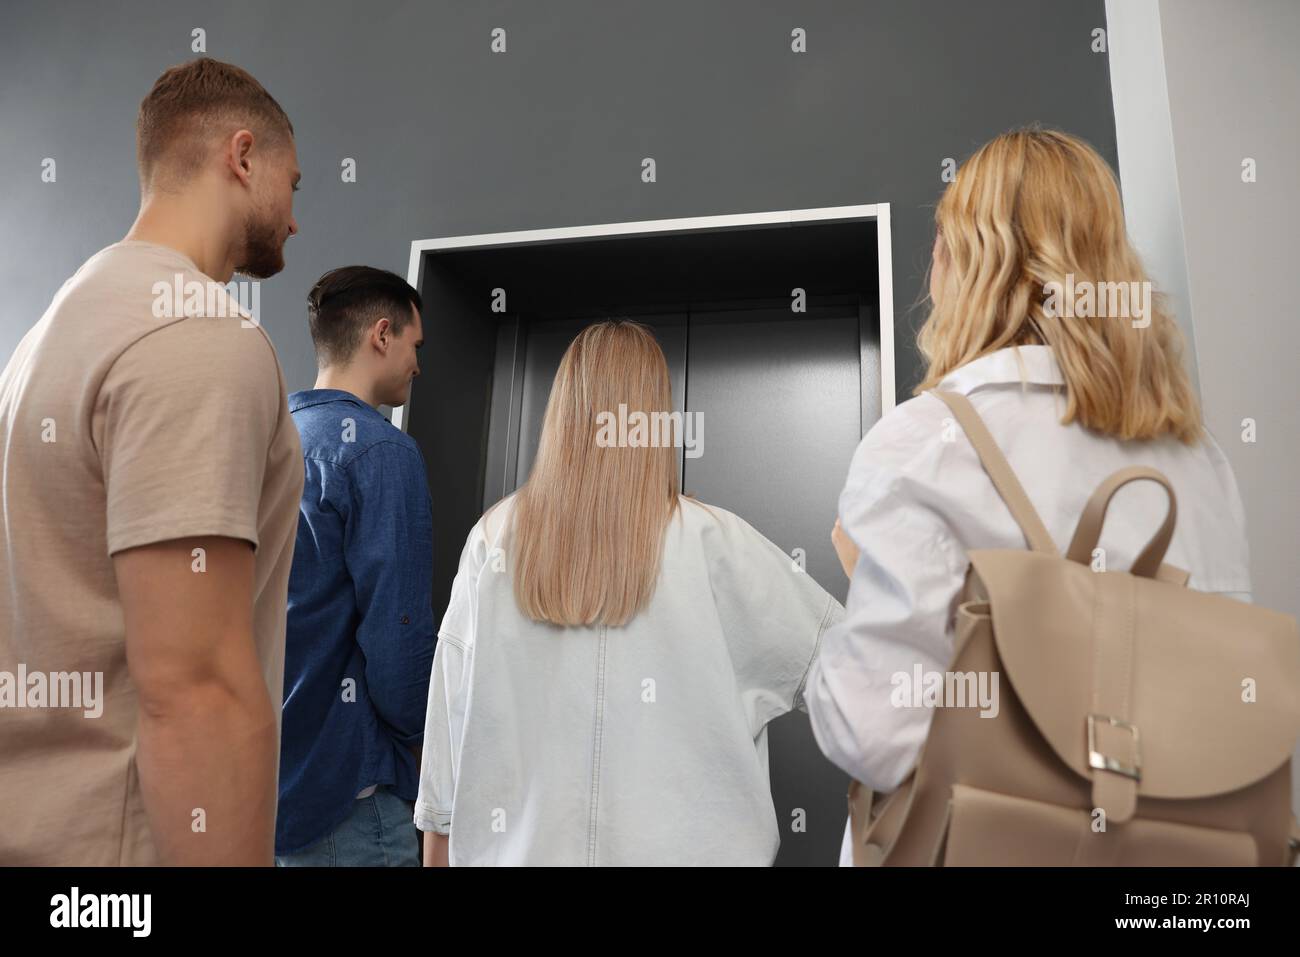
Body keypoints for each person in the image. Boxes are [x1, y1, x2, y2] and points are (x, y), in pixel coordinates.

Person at [804, 128, 1251, 864]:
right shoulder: (1202, 461)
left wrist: (859, 584)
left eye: (940, 249)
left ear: (967, 265)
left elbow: (873, 734)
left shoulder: (923, 442)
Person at [0, 57, 302, 865]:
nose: (296, 219)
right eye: (294, 185)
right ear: (242, 156)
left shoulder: (46, 336)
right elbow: (195, 690)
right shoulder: (196, 336)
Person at [415, 320, 844, 865]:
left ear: (564, 411)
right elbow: (853, 674)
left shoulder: (493, 541)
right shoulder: (718, 543)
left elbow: (445, 759)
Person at [275, 266, 434, 867]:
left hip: (276, 786)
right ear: (382, 334)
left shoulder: (276, 437)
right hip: (355, 797)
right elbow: (397, 635)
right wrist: (428, 743)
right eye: (416, 346)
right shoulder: (381, 450)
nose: (418, 365)